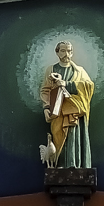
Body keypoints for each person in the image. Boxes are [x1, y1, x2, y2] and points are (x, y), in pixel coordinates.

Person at [38, 40, 94, 168]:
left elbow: (89, 87)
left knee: (75, 139)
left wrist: (67, 84)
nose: (66, 54)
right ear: (57, 53)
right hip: (58, 113)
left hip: (74, 113)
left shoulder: (79, 71)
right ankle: (61, 165)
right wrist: (46, 107)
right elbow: (45, 90)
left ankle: (75, 165)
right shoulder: (51, 69)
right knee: (58, 139)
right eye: (63, 51)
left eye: (69, 51)